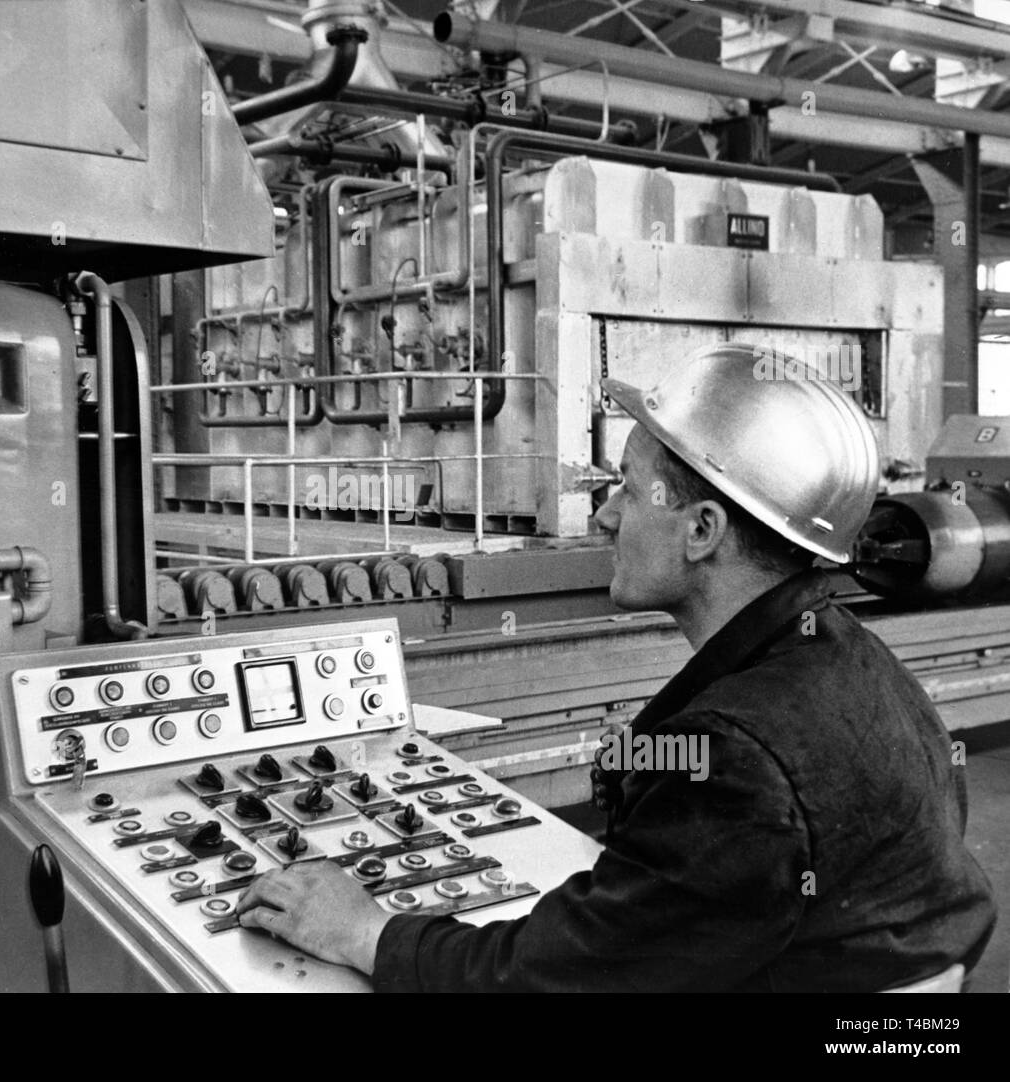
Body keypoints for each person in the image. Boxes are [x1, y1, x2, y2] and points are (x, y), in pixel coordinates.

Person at [235, 344, 998, 991]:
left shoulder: (739, 758)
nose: (603, 516)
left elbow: (548, 982)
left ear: (702, 531)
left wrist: (366, 931)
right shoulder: (842, 652)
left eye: (627, 491)